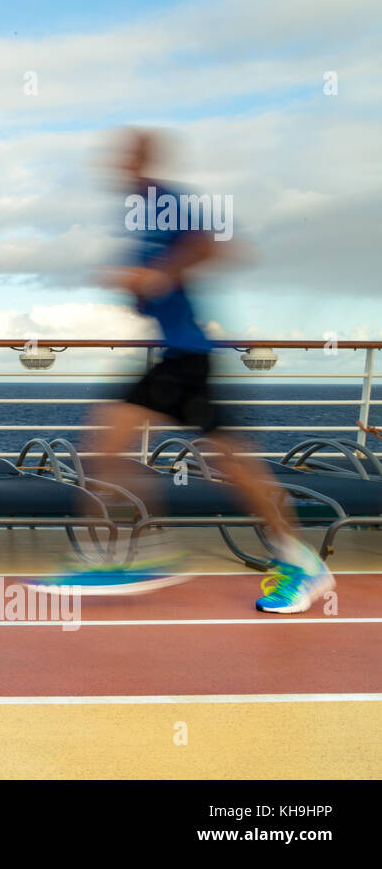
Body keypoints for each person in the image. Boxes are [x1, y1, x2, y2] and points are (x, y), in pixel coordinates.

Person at [59, 128, 333, 613]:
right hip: (174, 356)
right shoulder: (140, 218)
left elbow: (219, 246)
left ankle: (297, 561)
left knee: (230, 466)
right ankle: (133, 553)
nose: (116, 163)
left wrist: (161, 272)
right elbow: (151, 296)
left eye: (127, 154)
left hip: (191, 357)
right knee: (105, 446)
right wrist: (137, 287)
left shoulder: (167, 201)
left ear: (142, 159)